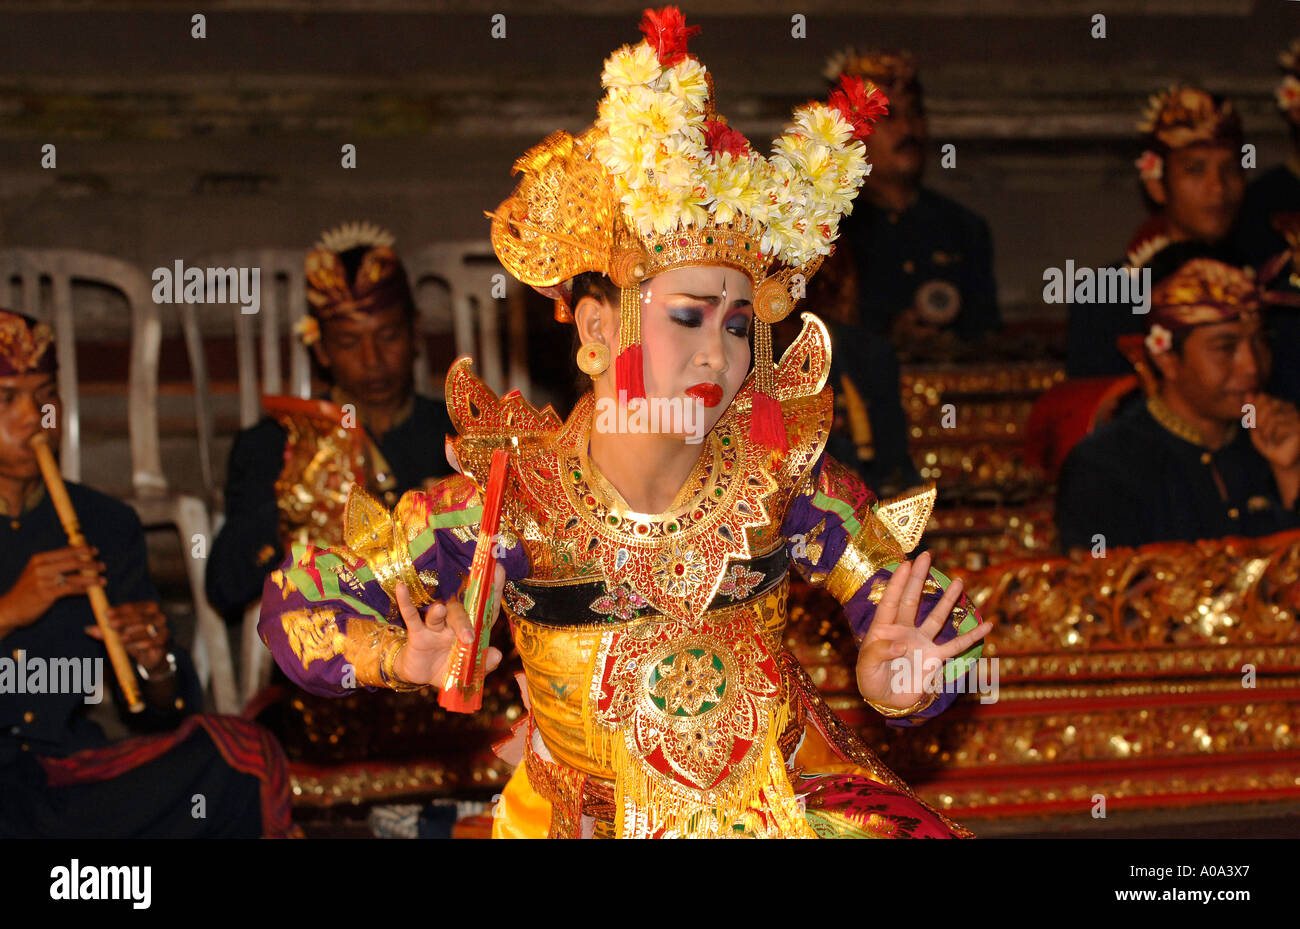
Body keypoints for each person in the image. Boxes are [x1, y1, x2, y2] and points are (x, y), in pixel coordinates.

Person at [259, 6, 991, 839]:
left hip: (780, 810)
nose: (718, 356)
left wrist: (908, 680)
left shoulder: (783, 478)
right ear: (600, 332)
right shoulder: (515, 502)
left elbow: (935, 613)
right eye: (687, 318)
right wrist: (398, 655)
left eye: (740, 324)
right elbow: (296, 603)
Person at [0, 310, 295, 837]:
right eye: (6, 400)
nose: (33, 418)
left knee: (237, 757)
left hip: (67, 777)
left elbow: (163, 710)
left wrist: (154, 664)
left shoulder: (103, 524)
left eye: (45, 395)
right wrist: (7, 613)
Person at [206, 223, 456, 619]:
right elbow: (224, 587)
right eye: (348, 342)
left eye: (388, 335)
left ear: (415, 332)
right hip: (327, 661)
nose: (372, 359)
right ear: (320, 348)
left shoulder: (458, 433)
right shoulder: (279, 441)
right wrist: (291, 505)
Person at [1056, 259, 1300, 552]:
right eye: (1225, 347)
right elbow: (1103, 588)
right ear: (1167, 359)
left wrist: (1289, 471)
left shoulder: (1266, 436)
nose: (1251, 367)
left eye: (1260, 342)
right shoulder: (1106, 466)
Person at [823, 48, 1001, 347]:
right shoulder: (824, 232)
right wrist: (885, 341)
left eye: (916, 114)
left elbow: (986, 333)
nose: (908, 130)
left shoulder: (963, 227)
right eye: (888, 117)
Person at [1069, 86, 1246, 377]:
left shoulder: (1265, 283)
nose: (1218, 188)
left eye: (1229, 170)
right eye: (1196, 170)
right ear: (1155, 184)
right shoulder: (1106, 296)